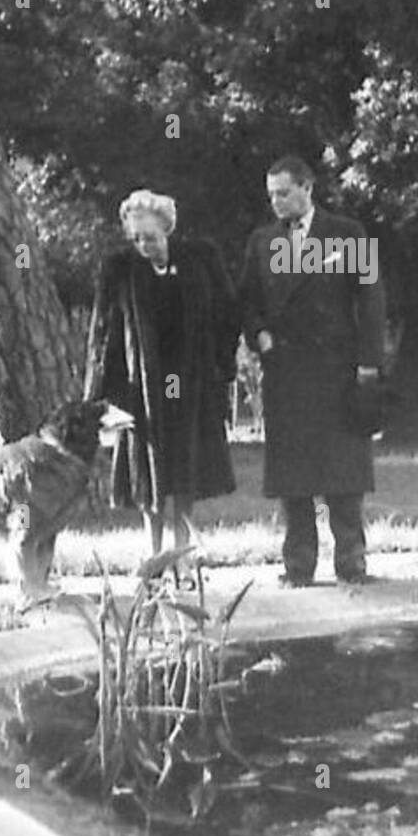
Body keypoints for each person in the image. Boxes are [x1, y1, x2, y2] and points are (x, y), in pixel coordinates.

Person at [240, 156, 386, 586]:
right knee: (293, 474)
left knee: (344, 471)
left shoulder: (347, 233)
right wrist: (259, 335)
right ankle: (298, 565)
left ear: (308, 187)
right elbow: (246, 300)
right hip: (286, 372)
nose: (277, 202)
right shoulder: (262, 242)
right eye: (271, 195)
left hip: (338, 369)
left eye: (284, 193)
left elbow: (372, 299)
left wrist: (369, 363)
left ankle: (352, 563)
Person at [84, 189, 239, 560]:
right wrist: (101, 395)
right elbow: (102, 332)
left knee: (187, 468)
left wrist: (221, 366)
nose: (143, 245)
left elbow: (227, 313)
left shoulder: (199, 261)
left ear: (167, 229)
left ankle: (183, 552)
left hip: (191, 380)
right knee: (148, 470)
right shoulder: (119, 270)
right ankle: (153, 555)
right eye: (135, 238)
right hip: (143, 387)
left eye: (150, 237)